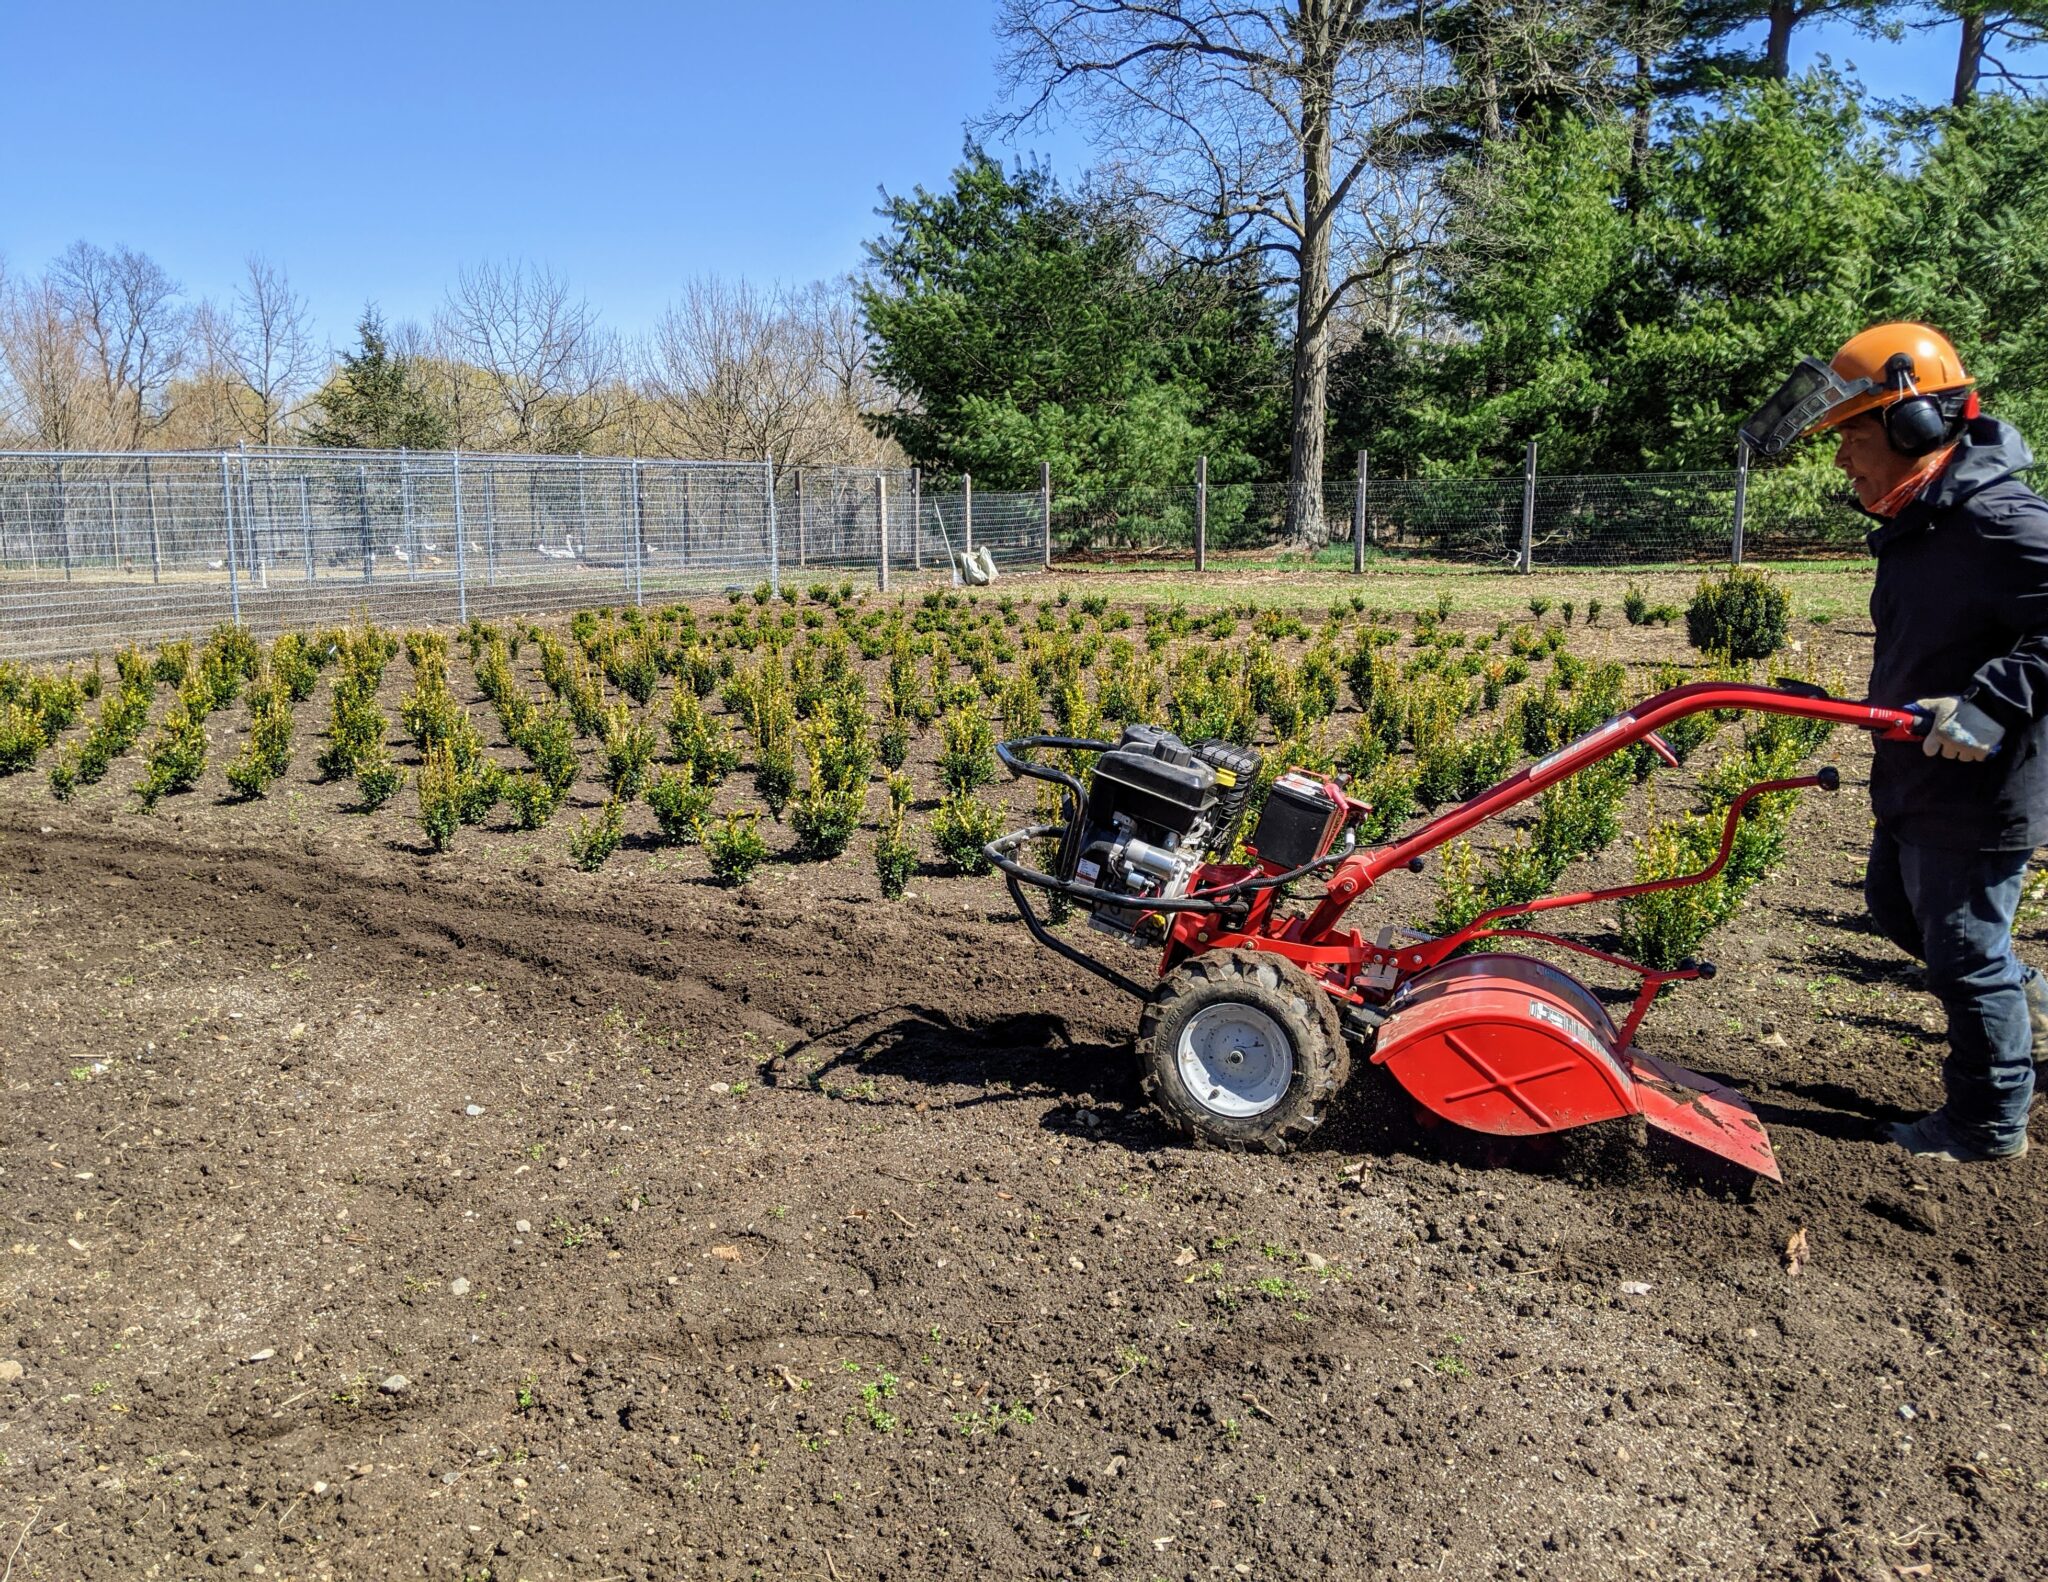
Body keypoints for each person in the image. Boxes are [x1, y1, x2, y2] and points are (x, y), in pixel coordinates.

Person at [1742, 322, 2048, 1162]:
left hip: (1983, 788)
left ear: (1917, 426)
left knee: (1964, 952)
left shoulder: (1999, 521)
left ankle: (1987, 1123)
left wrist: (1995, 701)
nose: (1842, 459)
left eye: (1855, 435)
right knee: (1896, 907)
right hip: (1919, 774)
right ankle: (2021, 1011)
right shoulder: (1924, 525)